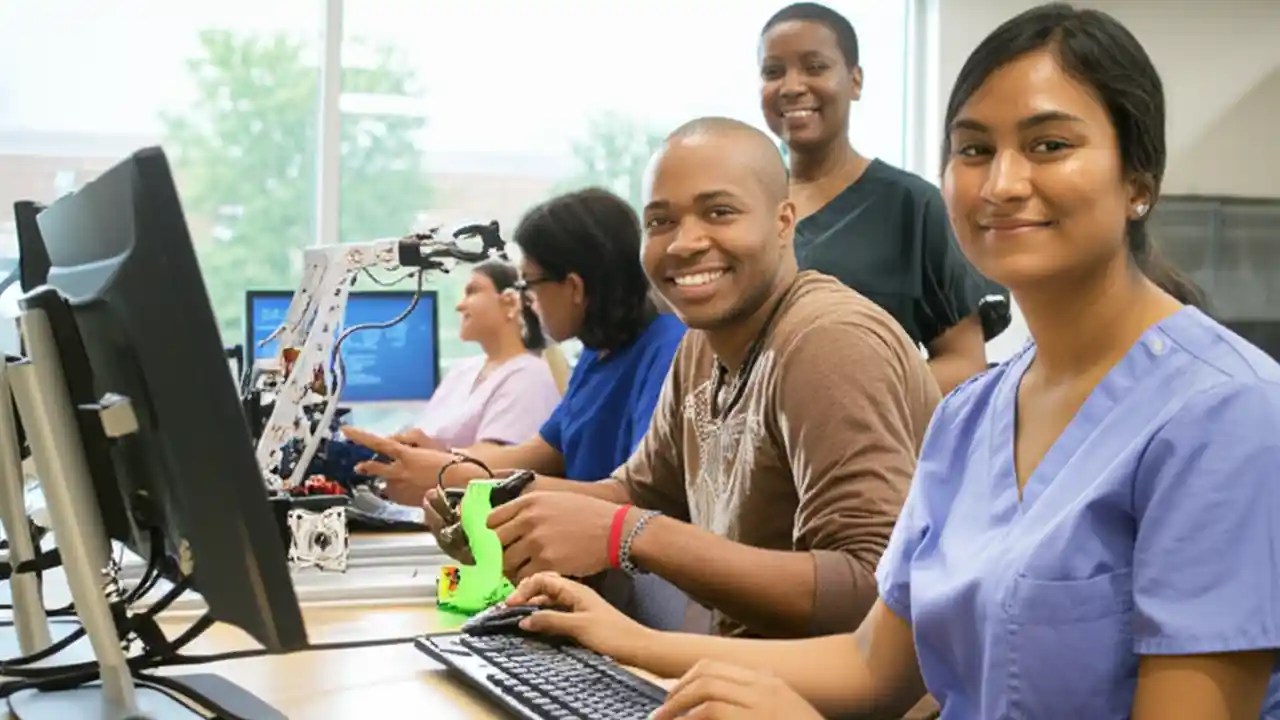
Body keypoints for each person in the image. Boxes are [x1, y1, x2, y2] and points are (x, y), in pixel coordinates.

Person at [501, 5, 1280, 719]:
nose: (1003, 183)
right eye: (974, 149)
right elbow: (873, 663)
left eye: (1050, 145)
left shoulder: (1224, 414)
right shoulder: (973, 414)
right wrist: (621, 640)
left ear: (1138, 179)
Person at [425, 117, 939, 639]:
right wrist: (510, 515)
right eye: (661, 222)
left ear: (784, 223)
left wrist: (628, 535)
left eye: (719, 212)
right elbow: (639, 491)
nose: (685, 243)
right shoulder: (699, 344)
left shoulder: (828, 341)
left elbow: (871, 591)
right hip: (737, 679)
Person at [343, 188, 686, 505]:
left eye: (530, 283)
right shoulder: (597, 356)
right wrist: (439, 461)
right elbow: (536, 454)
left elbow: (636, 496)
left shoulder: (668, 354)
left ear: (574, 288)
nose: (527, 299)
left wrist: (449, 476)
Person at [759, 1, 1001, 394]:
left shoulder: (912, 205)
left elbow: (964, 362)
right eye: (773, 72)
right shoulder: (748, 207)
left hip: (866, 445)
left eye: (815, 67)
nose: (791, 86)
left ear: (855, 81)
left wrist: (858, 399)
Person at [406, 260, 561, 452]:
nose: (459, 306)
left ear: (511, 302)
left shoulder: (530, 376)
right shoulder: (462, 371)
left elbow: (497, 464)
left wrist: (433, 455)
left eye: (472, 291)